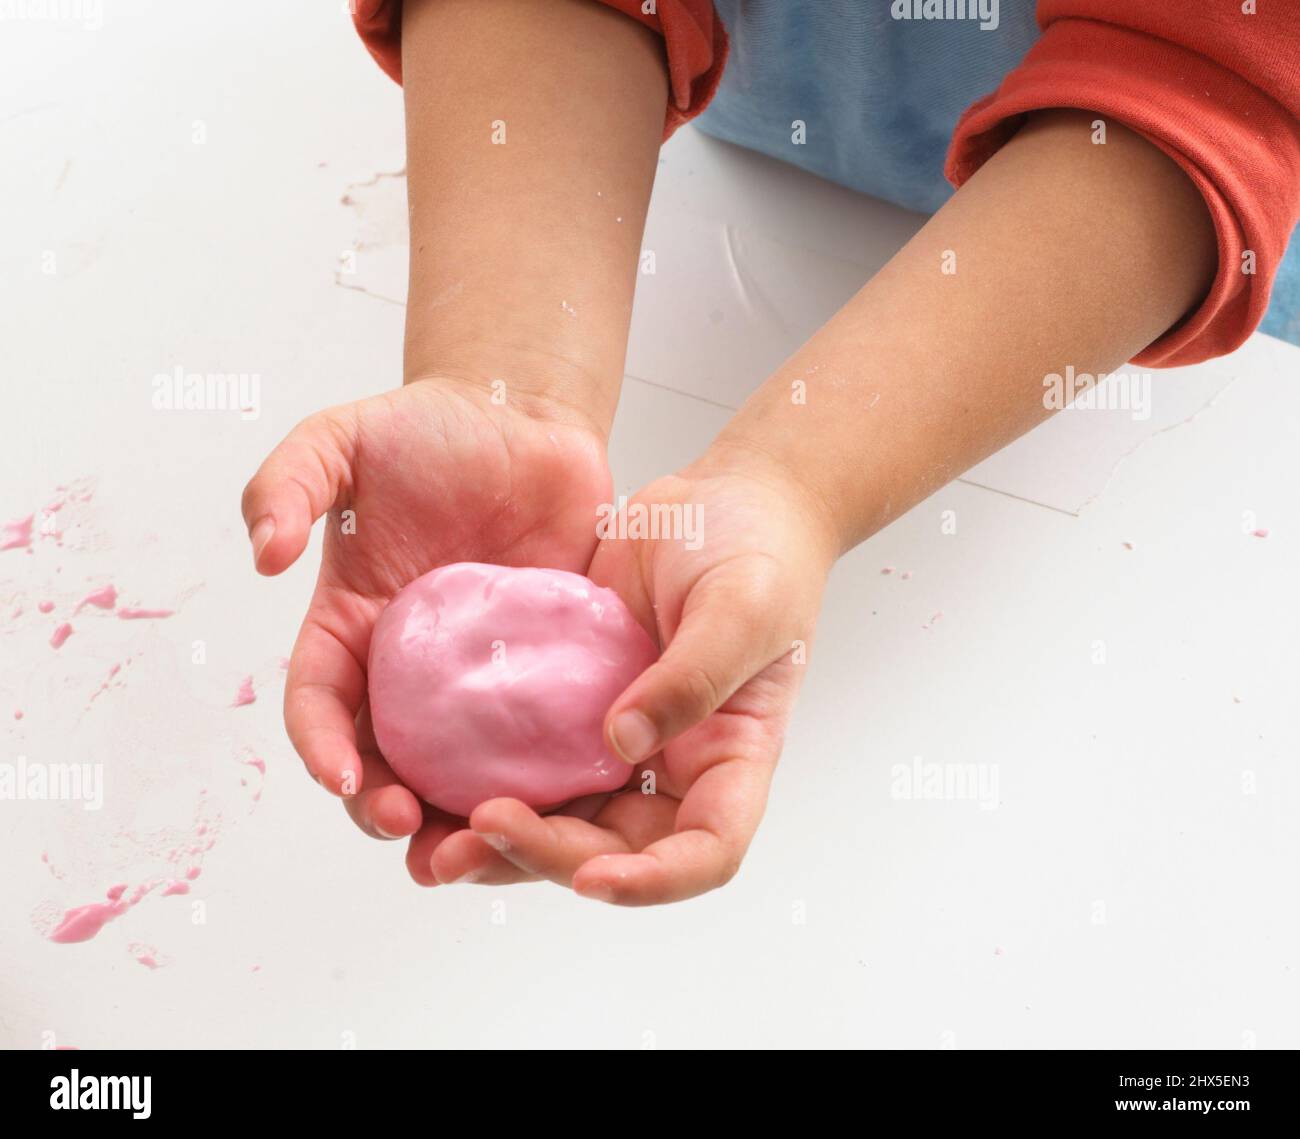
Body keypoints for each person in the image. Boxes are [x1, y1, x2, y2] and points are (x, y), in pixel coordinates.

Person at [241, 0, 1300, 904]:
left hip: (1132, 244)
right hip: (765, 128)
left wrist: (797, 481)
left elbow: (1205, 79)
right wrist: (504, 381)